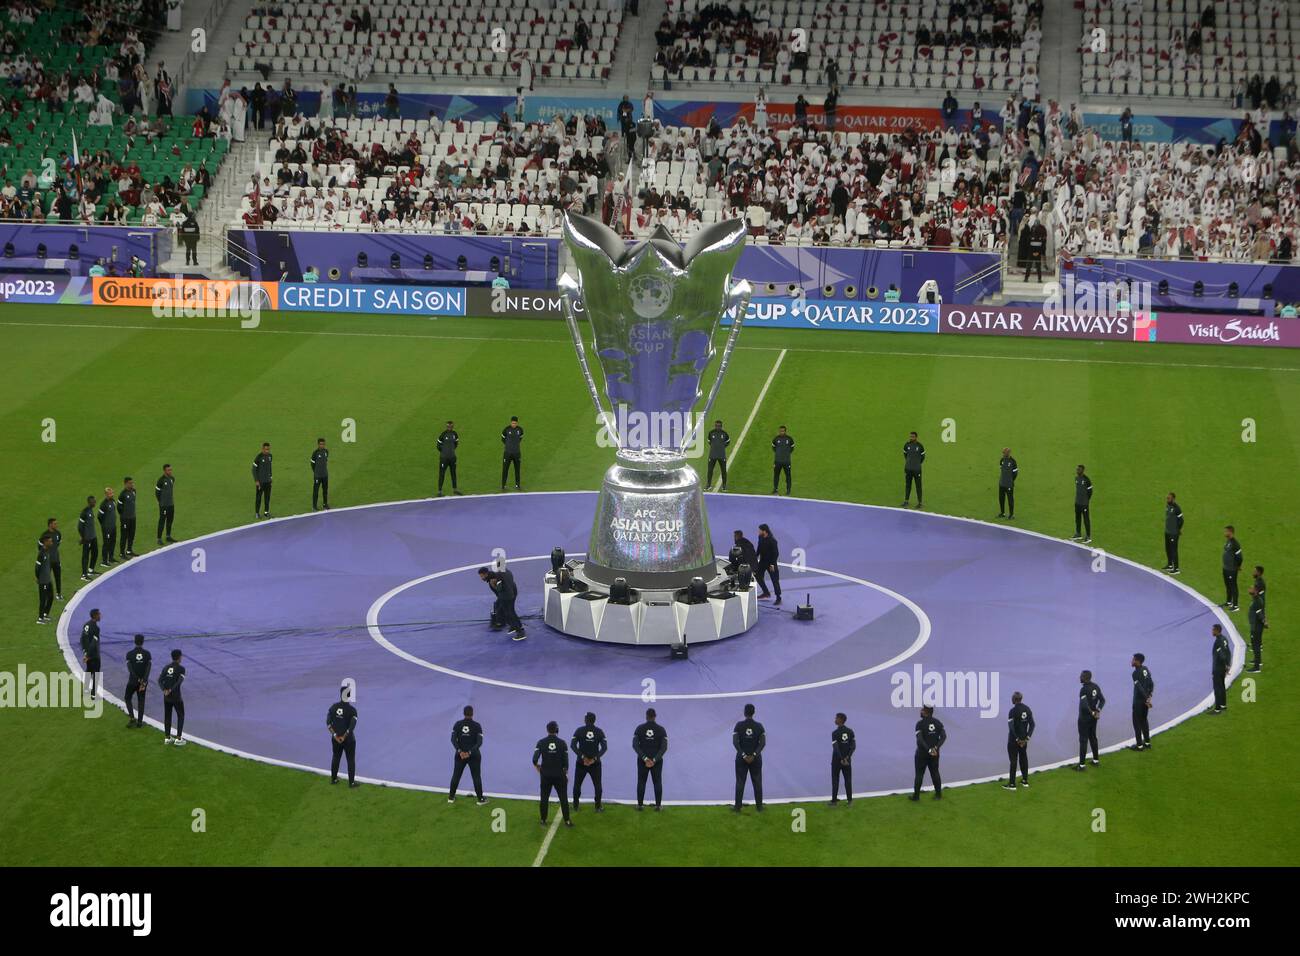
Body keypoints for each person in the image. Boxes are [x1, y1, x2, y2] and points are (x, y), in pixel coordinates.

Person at [533, 721, 573, 826]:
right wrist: (566, 774)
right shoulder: (563, 743)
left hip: (546, 775)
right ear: (557, 730)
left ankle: (543, 820)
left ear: (547, 730)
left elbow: (534, 759)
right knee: (563, 798)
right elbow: (566, 763)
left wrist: (539, 768)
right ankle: (567, 821)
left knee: (544, 798)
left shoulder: (541, 742)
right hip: (559, 775)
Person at [448, 705, 488, 803]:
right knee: (476, 777)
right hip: (474, 755)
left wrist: (460, 751)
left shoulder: (457, 724)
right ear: (472, 713)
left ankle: (451, 797)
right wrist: (469, 752)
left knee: (456, 775)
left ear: (464, 713)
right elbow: (479, 743)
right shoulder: (477, 726)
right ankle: (480, 799)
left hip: (460, 755)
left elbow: (453, 740)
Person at [732, 702, 766, 812]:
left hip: (741, 759)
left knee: (740, 782)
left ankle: (737, 807)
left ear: (744, 712)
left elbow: (735, 743)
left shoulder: (738, 725)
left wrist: (744, 755)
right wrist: (754, 755)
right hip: (756, 760)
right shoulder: (759, 726)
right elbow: (762, 743)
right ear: (754, 712)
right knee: (757, 782)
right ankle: (759, 808)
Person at [570, 712, 607, 813]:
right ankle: (598, 807)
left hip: (581, 763)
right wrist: (593, 759)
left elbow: (573, 745)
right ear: (594, 720)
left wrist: (583, 757)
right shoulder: (599, 732)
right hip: (595, 764)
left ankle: (576, 805)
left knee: (577, 784)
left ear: (585, 720)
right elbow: (604, 748)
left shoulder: (579, 730)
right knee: (598, 786)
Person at [633, 707, 667, 810]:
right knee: (657, 782)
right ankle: (658, 806)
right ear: (655, 716)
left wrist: (645, 758)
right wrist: (654, 760)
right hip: (656, 762)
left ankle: (639, 806)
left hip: (642, 761)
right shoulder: (661, 730)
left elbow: (635, 745)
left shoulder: (639, 728)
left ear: (646, 716)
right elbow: (664, 747)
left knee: (641, 782)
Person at [479, 566, 525, 640]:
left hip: (506, 597)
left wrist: (500, 600)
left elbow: (499, 591)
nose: (481, 578)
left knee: (509, 614)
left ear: (485, 574)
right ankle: (517, 626)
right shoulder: (503, 573)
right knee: (511, 611)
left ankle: (520, 632)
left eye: (481, 576)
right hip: (512, 593)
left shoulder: (492, 580)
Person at [909, 705, 946, 800]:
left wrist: (928, 750)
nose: (920, 710)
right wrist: (936, 748)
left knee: (919, 774)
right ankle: (938, 795)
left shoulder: (919, 724)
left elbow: (920, 739)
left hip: (922, 754)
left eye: (922, 709)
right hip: (934, 754)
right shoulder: (937, 723)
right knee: (935, 773)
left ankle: (916, 797)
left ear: (925, 712)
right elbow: (943, 736)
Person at [326, 685, 359, 787]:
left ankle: (334, 779)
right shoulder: (352, 710)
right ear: (348, 695)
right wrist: (344, 737)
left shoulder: (333, 707)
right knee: (350, 760)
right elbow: (351, 727)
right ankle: (351, 783)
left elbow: (328, 723)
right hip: (349, 740)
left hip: (335, 739)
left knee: (336, 757)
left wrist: (336, 736)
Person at [1073, 670, 1105, 770]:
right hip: (1093, 718)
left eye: (1081, 676)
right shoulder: (1095, 686)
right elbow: (1102, 700)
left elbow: (1084, 705)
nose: (1079, 678)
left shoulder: (1083, 690)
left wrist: (1091, 712)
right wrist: (1097, 710)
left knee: (1083, 740)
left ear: (1085, 678)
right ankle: (1096, 760)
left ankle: (1082, 765)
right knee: (1093, 737)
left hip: (1084, 718)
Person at [1003, 692, 1034, 790]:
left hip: (1013, 741)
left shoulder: (1012, 711)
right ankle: (1025, 781)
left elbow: (1011, 727)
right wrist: (1026, 738)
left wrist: (1017, 739)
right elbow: (1032, 725)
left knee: (1013, 760)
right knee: (1023, 758)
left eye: (1012, 698)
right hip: (1024, 741)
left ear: (1014, 699)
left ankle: (1012, 784)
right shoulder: (1027, 709)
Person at [159, 649, 186, 744]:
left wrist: (164, 690)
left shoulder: (166, 667)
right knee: (181, 715)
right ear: (179, 657)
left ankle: (167, 738)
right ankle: (178, 739)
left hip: (166, 697)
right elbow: (178, 682)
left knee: (167, 716)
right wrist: (170, 689)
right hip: (176, 697)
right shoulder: (181, 669)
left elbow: (159, 680)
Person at [1128, 653, 1154, 751]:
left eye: (1133, 660)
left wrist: (1146, 698)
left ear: (1138, 661)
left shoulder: (1135, 674)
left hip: (1138, 702)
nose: (1132, 661)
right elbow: (1151, 683)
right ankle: (1147, 743)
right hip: (1145, 702)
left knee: (1137, 723)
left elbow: (1139, 688)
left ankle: (1139, 746)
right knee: (1144, 721)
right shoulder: (1145, 669)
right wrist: (1149, 697)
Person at [124, 634, 151, 728]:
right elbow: (148, 668)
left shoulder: (129, 654)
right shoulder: (147, 654)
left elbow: (130, 669)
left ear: (134, 641)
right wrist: (144, 681)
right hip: (142, 683)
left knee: (127, 697)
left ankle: (132, 718)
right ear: (143, 642)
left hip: (132, 681)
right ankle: (140, 722)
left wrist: (136, 678)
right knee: (141, 700)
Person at [830, 713, 855, 805]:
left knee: (835, 780)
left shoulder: (835, 733)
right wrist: (847, 757)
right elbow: (853, 746)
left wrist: (841, 758)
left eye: (836, 718)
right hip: (847, 761)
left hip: (837, 760)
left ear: (840, 720)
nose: (835, 719)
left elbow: (835, 747)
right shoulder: (850, 731)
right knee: (848, 780)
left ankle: (834, 802)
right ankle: (850, 801)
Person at [79, 608, 103, 699]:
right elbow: (93, 643)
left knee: (88, 671)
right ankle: (93, 694)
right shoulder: (96, 628)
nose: (100, 616)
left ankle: (85, 690)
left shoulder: (86, 625)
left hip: (87, 653)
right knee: (96, 674)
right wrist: (88, 655)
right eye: (99, 614)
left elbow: (82, 639)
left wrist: (85, 652)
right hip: (94, 655)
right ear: (95, 616)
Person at [755, 523, 781, 605]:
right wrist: (754, 557)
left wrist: (772, 564)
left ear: (764, 531)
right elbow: (759, 549)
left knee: (775, 580)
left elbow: (776, 553)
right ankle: (766, 593)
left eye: (759, 530)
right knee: (757, 575)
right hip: (762, 562)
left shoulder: (772, 541)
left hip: (771, 564)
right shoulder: (760, 537)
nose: (758, 532)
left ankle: (778, 597)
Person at [1210, 624, 1232, 713]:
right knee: (1222, 686)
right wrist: (1227, 665)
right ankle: (1223, 704)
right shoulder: (1224, 639)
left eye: (1213, 630)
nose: (1212, 632)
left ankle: (1217, 708)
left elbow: (1221, 655)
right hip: (1223, 667)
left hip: (1218, 667)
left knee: (1217, 687)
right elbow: (1228, 653)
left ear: (1217, 631)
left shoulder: (1218, 641)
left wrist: (1225, 665)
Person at [436, 420, 461, 496]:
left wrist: (451, 451)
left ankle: (455, 489)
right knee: (442, 473)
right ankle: (439, 491)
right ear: (447, 427)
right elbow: (438, 445)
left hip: (452, 458)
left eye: (451, 426)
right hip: (444, 458)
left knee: (453, 473)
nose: (450, 427)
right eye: (448, 426)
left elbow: (456, 444)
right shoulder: (443, 434)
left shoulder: (455, 434)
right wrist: (443, 451)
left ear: (452, 426)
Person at [1221, 525, 1243, 611]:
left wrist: (1238, 566)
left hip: (1232, 569)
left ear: (1230, 532)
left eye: (1226, 531)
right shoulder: (1228, 541)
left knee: (1233, 586)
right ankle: (1229, 601)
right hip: (1226, 568)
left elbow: (1240, 557)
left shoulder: (1235, 544)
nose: (1224, 533)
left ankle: (1236, 605)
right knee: (1228, 585)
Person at [35, 532, 55, 624]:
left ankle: (45, 614)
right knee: (43, 599)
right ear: (45, 542)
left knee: (51, 597)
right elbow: (37, 567)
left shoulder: (47, 552)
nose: (51, 543)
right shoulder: (41, 553)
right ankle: (40, 618)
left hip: (48, 579)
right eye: (50, 541)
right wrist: (38, 578)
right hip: (43, 580)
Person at [902, 431, 926, 508]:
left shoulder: (920, 446)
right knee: (908, 485)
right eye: (910, 436)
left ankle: (920, 503)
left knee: (918, 486)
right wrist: (909, 462)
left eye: (912, 437)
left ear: (916, 437)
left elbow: (923, 457)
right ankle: (906, 501)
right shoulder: (906, 445)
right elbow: (905, 455)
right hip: (908, 469)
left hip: (917, 470)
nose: (911, 438)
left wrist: (917, 464)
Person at [78, 495, 98, 581]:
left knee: (95, 552)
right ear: (89, 502)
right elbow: (80, 526)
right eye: (93, 501)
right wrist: (83, 537)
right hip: (87, 538)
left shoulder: (90, 510)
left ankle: (90, 570)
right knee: (85, 556)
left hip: (93, 537)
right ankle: (84, 574)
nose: (95, 503)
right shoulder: (85, 512)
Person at [96, 487, 118, 567]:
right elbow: (99, 517)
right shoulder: (103, 504)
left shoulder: (113, 501)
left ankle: (111, 558)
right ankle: (104, 561)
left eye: (112, 493)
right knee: (106, 543)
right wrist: (104, 525)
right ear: (106, 494)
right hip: (106, 528)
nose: (112, 495)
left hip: (113, 526)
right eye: (110, 493)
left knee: (113, 541)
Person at [1246, 585, 1266, 673]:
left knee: (1255, 645)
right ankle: (1258, 660)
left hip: (1256, 627)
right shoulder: (1256, 599)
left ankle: (1256, 667)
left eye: (1252, 588)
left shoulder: (1257, 601)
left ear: (1256, 591)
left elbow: (1260, 614)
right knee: (1256, 645)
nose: (1250, 589)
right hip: (1256, 626)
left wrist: (1264, 622)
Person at [155, 464, 176, 545]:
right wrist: (161, 502)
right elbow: (157, 493)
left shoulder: (172, 479)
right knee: (162, 521)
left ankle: (168, 536)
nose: (170, 471)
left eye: (171, 470)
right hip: (163, 505)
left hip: (171, 504)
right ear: (164, 471)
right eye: (168, 470)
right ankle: (159, 538)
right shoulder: (161, 480)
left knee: (170, 520)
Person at [500, 416, 523, 491]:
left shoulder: (520, 430)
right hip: (507, 453)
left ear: (517, 423)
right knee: (505, 469)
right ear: (511, 422)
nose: (514, 424)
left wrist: (515, 445)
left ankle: (517, 485)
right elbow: (502, 438)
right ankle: (503, 485)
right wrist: (508, 445)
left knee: (517, 469)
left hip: (517, 453)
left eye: (515, 423)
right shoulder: (506, 429)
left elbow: (520, 438)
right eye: (513, 423)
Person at [1163, 492, 1184, 573]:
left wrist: (1178, 529)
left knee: (1173, 550)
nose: (1167, 499)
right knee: (1167, 548)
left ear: (1173, 499)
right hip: (1167, 531)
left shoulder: (1176, 508)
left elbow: (1181, 520)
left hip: (1173, 533)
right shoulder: (1168, 506)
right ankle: (1170, 565)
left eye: (1169, 498)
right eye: (1167, 498)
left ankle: (1176, 569)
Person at [706, 419, 730, 490]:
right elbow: (709, 441)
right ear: (715, 426)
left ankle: (724, 486)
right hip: (712, 455)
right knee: (710, 470)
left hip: (721, 455)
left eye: (719, 426)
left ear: (721, 426)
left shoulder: (724, 433)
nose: (717, 427)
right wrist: (714, 447)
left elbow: (728, 441)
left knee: (723, 471)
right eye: (716, 426)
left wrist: (722, 446)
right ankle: (708, 485)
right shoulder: (711, 433)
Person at [1072, 464, 1093, 543]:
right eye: (1077, 469)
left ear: (1083, 470)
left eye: (1079, 470)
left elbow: (1090, 491)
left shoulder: (1087, 479)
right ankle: (1078, 533)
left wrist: (1086, 500)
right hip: (1077, 503)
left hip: (1084, 504)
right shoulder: (1076, 478)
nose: (1077, 471)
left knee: (1086, 520)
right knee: (1077, 519)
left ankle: (1088, 536)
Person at [252, 442, 273, 519]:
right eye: (266, 449)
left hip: (268, 481)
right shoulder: (259, 457)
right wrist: (256, 481)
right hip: (260, 482)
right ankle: (257, 513)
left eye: (268, 449)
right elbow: (253, 469)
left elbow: (270, 468)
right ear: (263, 449)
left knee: (267, 498)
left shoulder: (270, 456)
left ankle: (266, 512)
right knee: (258, 498)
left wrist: (271, 477)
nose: (267, 451)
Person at [771, 425, 794, 495]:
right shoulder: (775, 439)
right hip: (777, 461)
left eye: (783, 431)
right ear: (779, 431)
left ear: (785, 431)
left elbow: (792, 447)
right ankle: (775, 490)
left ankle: (788, 491)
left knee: (788, 476)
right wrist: (778, 454)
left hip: (787, 462)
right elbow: (773, 447)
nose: (781, 432)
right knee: (776, 475)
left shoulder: (789, 439)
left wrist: (786, 454)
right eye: (780, 431)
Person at [118, 477, 137, 558]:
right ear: (125, 484)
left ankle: (129, 550)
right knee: (124, 535)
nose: (131, 484)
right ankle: (122, 553)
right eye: (130, 483)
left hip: (133, 517)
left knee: (131, 534)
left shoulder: (134, 491)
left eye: (132, 483)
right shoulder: (122, 494)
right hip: (125, 519)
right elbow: (119, 507)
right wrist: (124, 515)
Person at [998, 447, 1018, 519]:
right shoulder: (1002, 460)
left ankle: (1011, 514)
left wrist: (1011, 480)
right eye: (1003, 453)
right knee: (1001, 498)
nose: (1003, 454)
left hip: (1009, 484)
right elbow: (1001, 469)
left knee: (1010, 500)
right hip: (1002, 483)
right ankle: (1002, 513)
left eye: (1004, 453)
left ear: (1008, 453)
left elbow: (1015, 473)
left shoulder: (1013, 461)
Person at [310, 438, 330, 510]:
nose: (322, 445)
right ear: (318, 444)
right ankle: (314, 506)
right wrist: (315, 472)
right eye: (321, 444)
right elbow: (312, 464)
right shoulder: (315, 453)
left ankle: (325, 504)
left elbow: (325, 461)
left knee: (325, 490)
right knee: (316, 491)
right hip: (317, 476)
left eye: (323, 444)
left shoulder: (326, 452)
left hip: (325, 475)